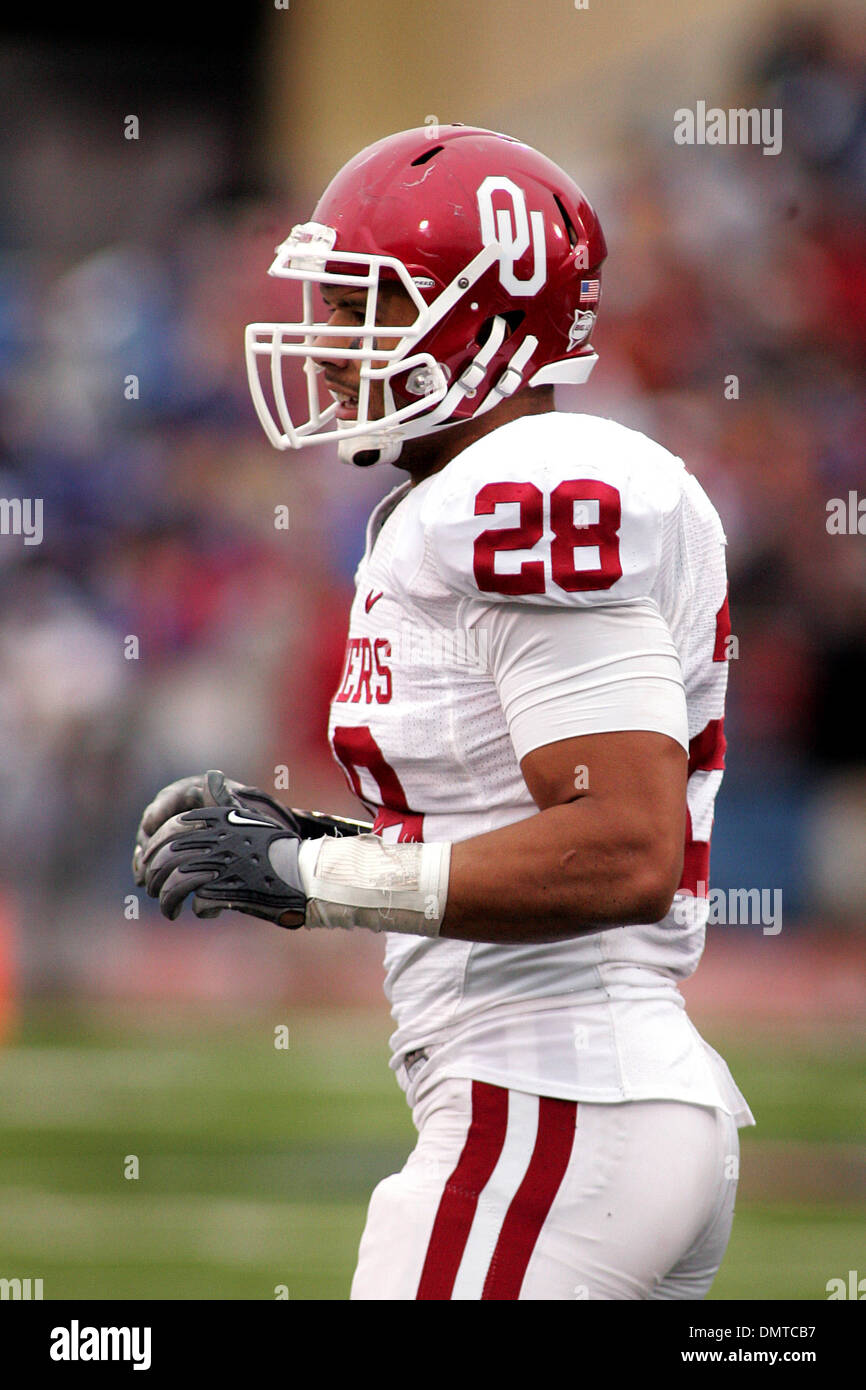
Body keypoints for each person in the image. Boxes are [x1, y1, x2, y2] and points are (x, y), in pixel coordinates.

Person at [133, 124, 754, 1300]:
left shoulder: (526, 486)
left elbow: (623, 843)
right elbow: (522, 808)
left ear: (483, 321)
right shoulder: (450, 504)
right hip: (575, 1108)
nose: (324, 345)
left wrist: (319, 885)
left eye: (363, 307)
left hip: (557, 1103)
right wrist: (330, 847)